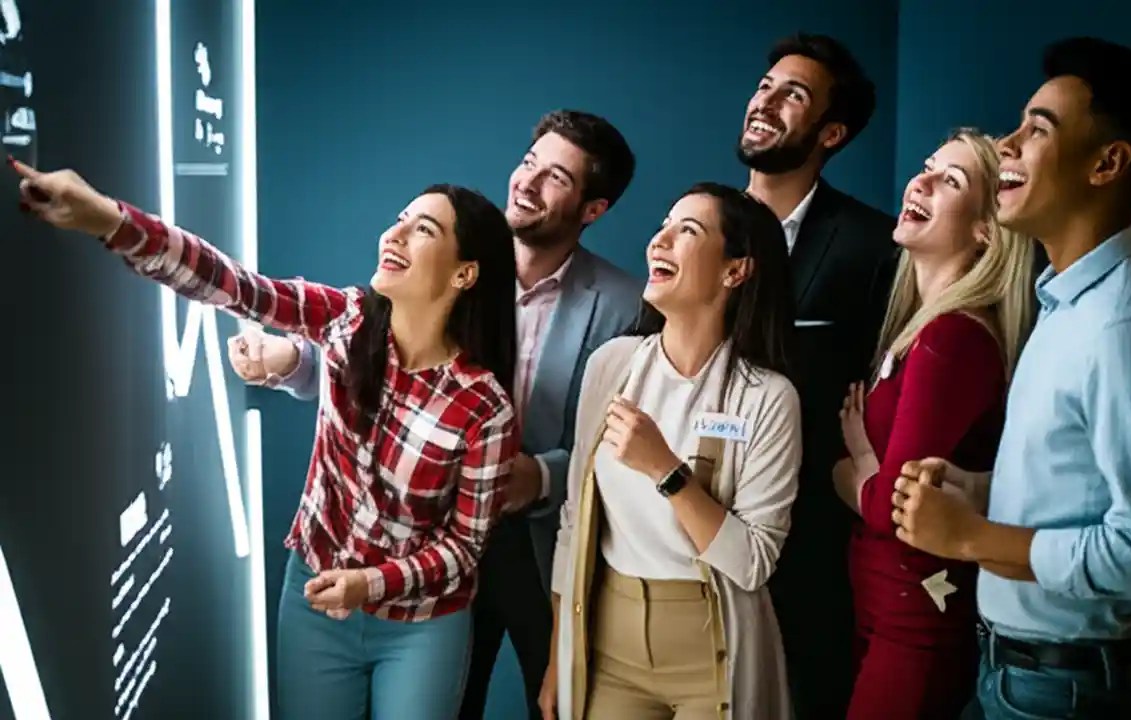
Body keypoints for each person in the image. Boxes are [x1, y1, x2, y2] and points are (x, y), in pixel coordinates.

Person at [10, 157, 521, 720]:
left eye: (424, 229)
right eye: (400, 218)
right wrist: (108, 219)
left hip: (422, 625)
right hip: (315, 598)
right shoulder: (346, 321)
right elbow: (232, 285)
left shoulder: (484, 407)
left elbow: (463, 549)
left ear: (464, 274)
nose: (393, 234)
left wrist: (370, 584)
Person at [226, 110, 643, 719]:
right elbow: (374, 379)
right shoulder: (433, 257)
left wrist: (544, 476)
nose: (526, 183)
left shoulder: (625, 306)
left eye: (555, 177)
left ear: (593, 208)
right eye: (528, 163)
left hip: (536, 546)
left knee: (555, 706)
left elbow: (617, 440)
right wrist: (294, 360)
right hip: (422, 541)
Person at [889, 37, 1131, 719]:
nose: (1006, 143)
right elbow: (1080, 496)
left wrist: (971, 538)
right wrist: (978, 494)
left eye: (1036, 128)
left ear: (1107, 162)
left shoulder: (1128, 327)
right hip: (1017, 669)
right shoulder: (1065, 304)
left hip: (1064, 690)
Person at [543, 183, 801, 720]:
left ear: (736, 271)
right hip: (607, 643)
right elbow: (573, 524)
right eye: (664, 224)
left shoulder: (769, 399)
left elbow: (752, 563)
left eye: (688, 231)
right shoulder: (611, 365)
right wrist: (557, 655)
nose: (659, 240)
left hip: (712, 651)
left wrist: (665, 469)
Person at [832, 128, 1034, 718]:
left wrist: (858, 464)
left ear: (984, 230)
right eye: (927, 167)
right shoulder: (921, 328)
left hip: (915, 619)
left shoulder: (954, 338)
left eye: (951, 180)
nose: (919, 182)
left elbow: (897, 509)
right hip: (885, 606)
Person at [736, 32, 898, 716]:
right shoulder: (693, 225)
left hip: (812, 549)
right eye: (766, 84)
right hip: (687, 527)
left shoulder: (875, 245)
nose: (766, 101)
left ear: (832, 132)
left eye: (793, 94)